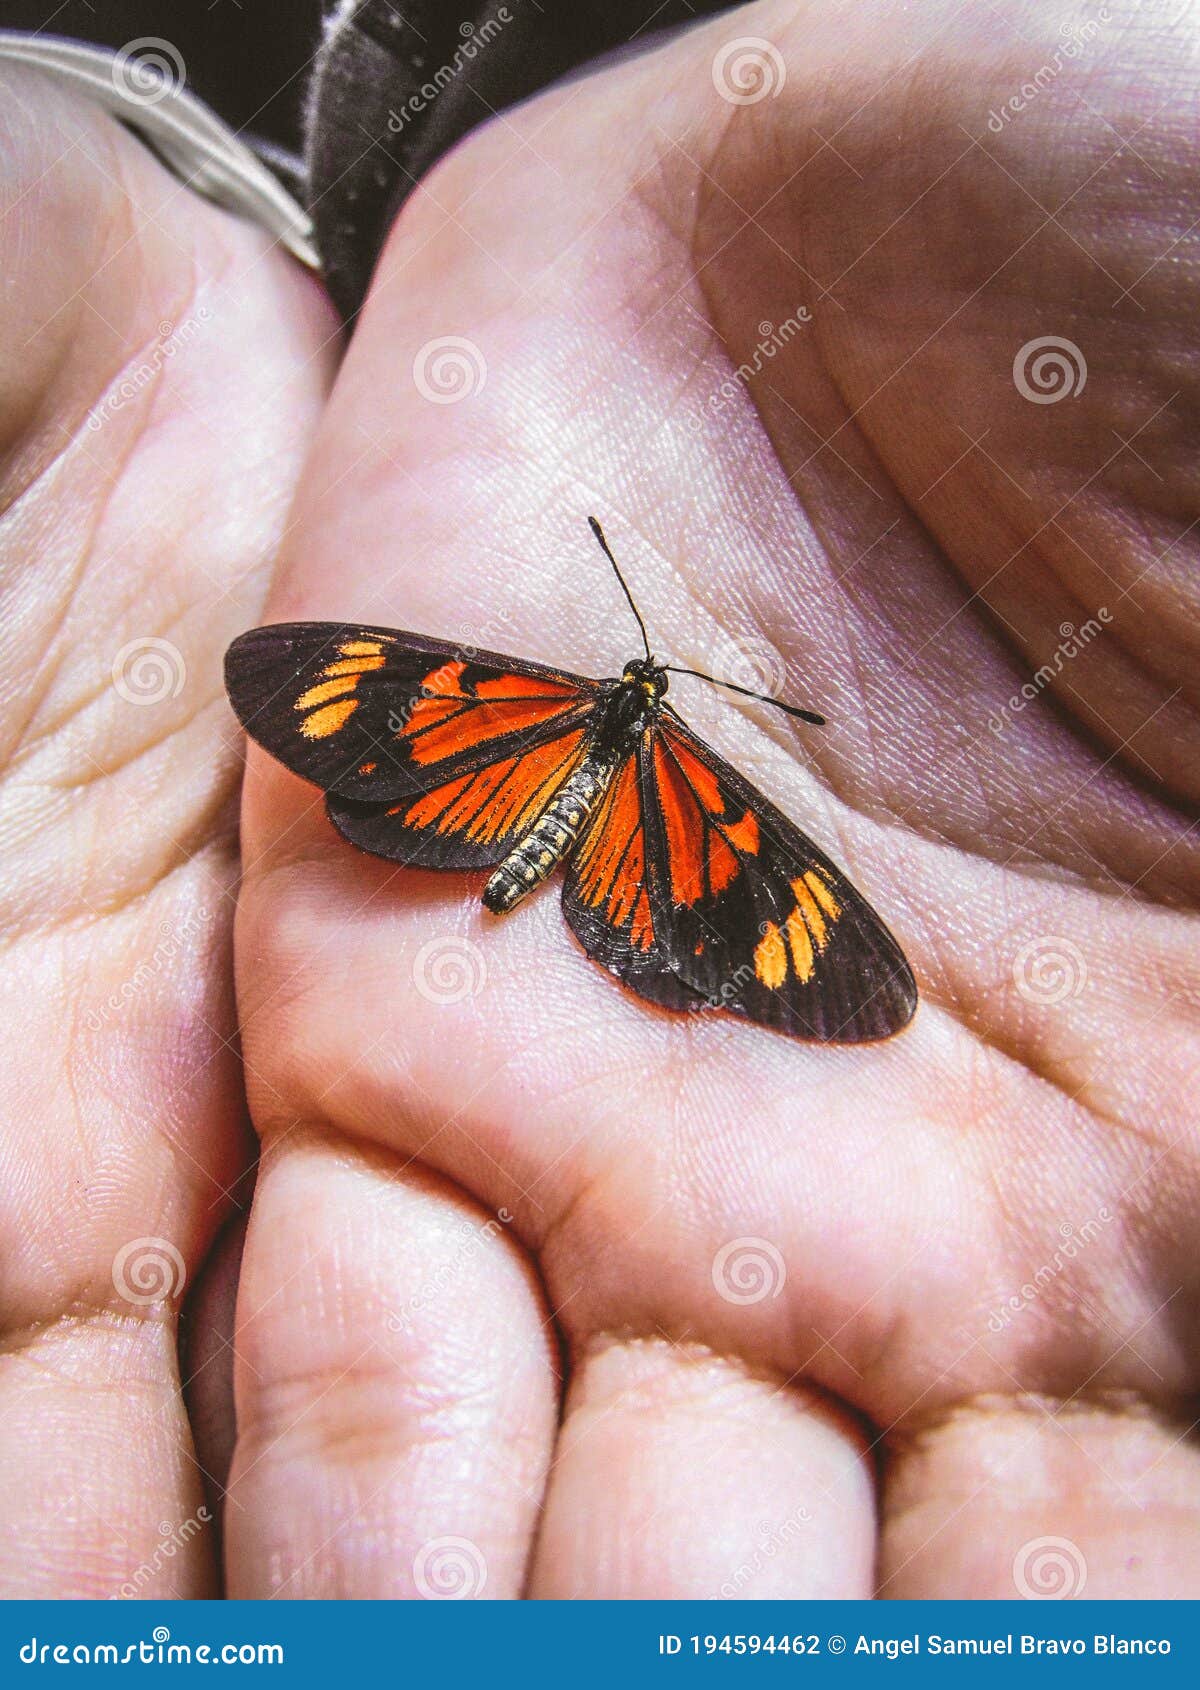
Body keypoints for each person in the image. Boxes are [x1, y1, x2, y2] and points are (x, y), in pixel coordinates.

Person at [0, 0, 1196, 1600]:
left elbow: (802, 946)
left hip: (484, 818)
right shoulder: (688, 778)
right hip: (606, 858)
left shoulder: (539, 706)